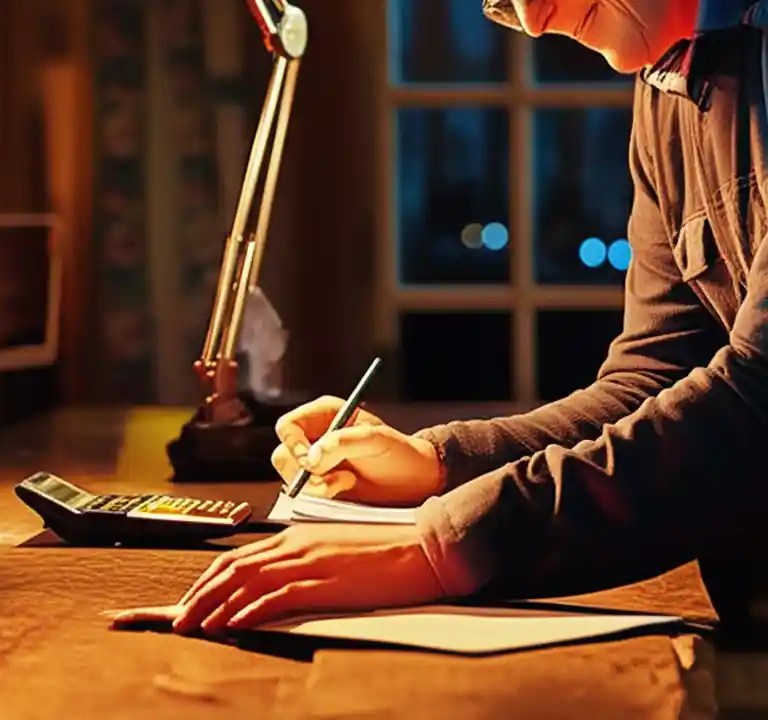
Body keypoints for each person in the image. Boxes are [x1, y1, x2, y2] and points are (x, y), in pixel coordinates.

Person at [113, 0, 768, 639]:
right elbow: (652, 382)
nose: (532, 18)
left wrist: (442, 548)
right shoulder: (672, 79)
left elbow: (755, 408)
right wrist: (438, 465)